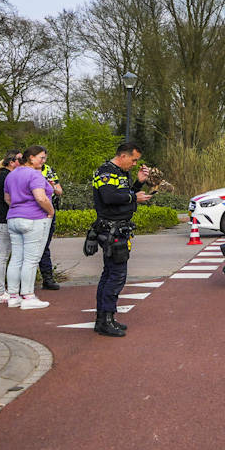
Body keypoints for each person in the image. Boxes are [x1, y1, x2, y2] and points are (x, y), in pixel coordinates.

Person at [89, 141, 151, 337]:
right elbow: (109, 197)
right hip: (111, 230)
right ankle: (105, 320)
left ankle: (104, 319)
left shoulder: (121, 173)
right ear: (123, 156)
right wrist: (134, 197)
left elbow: (123, 193)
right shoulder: (105, 172)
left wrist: (139, 182)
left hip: (119, 228)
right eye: (133, 160)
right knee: (116, 276)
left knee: (109, 274)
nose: (134, 164)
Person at [3, 146, 55, 310]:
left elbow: (7, 198)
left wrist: (19, 208)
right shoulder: (35, 175)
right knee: (31, 260)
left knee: (16, 258)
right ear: (31, 158)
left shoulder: (11, 175)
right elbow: (40, 197)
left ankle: (13, 296)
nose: (43, 161)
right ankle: (28, 296)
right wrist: (50, 211)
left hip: (13, 218)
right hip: (34, 219)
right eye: (41, 157)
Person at [0, 151, 19, 305]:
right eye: (19, 160)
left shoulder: (2, 176)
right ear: (12, 162)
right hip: (3, 221)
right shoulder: (7, 177)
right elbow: (10, 199)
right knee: (2, 257)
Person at [37, 158, 64, 290]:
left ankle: (47, 278)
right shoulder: (25, 170)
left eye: (44, 158)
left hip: (49, 210)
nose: (43, 160)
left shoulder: (48, 169)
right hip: (33, 210)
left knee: (44, 245)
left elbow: (59, 191)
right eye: (40, 157)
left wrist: (52, 186)